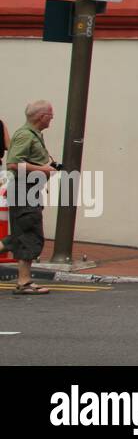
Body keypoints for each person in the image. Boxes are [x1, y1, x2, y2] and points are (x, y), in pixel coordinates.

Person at [2, 100, 58, 295]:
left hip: (29, 190)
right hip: (24, 190)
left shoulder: (33, 135)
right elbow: (13, 163)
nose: (52, 119)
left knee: (19, 236)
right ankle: (24, 282)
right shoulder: (25, 135)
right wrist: (43, 169)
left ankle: (24, 281)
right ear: (41, 117)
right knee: (29, 235)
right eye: (51, 116)